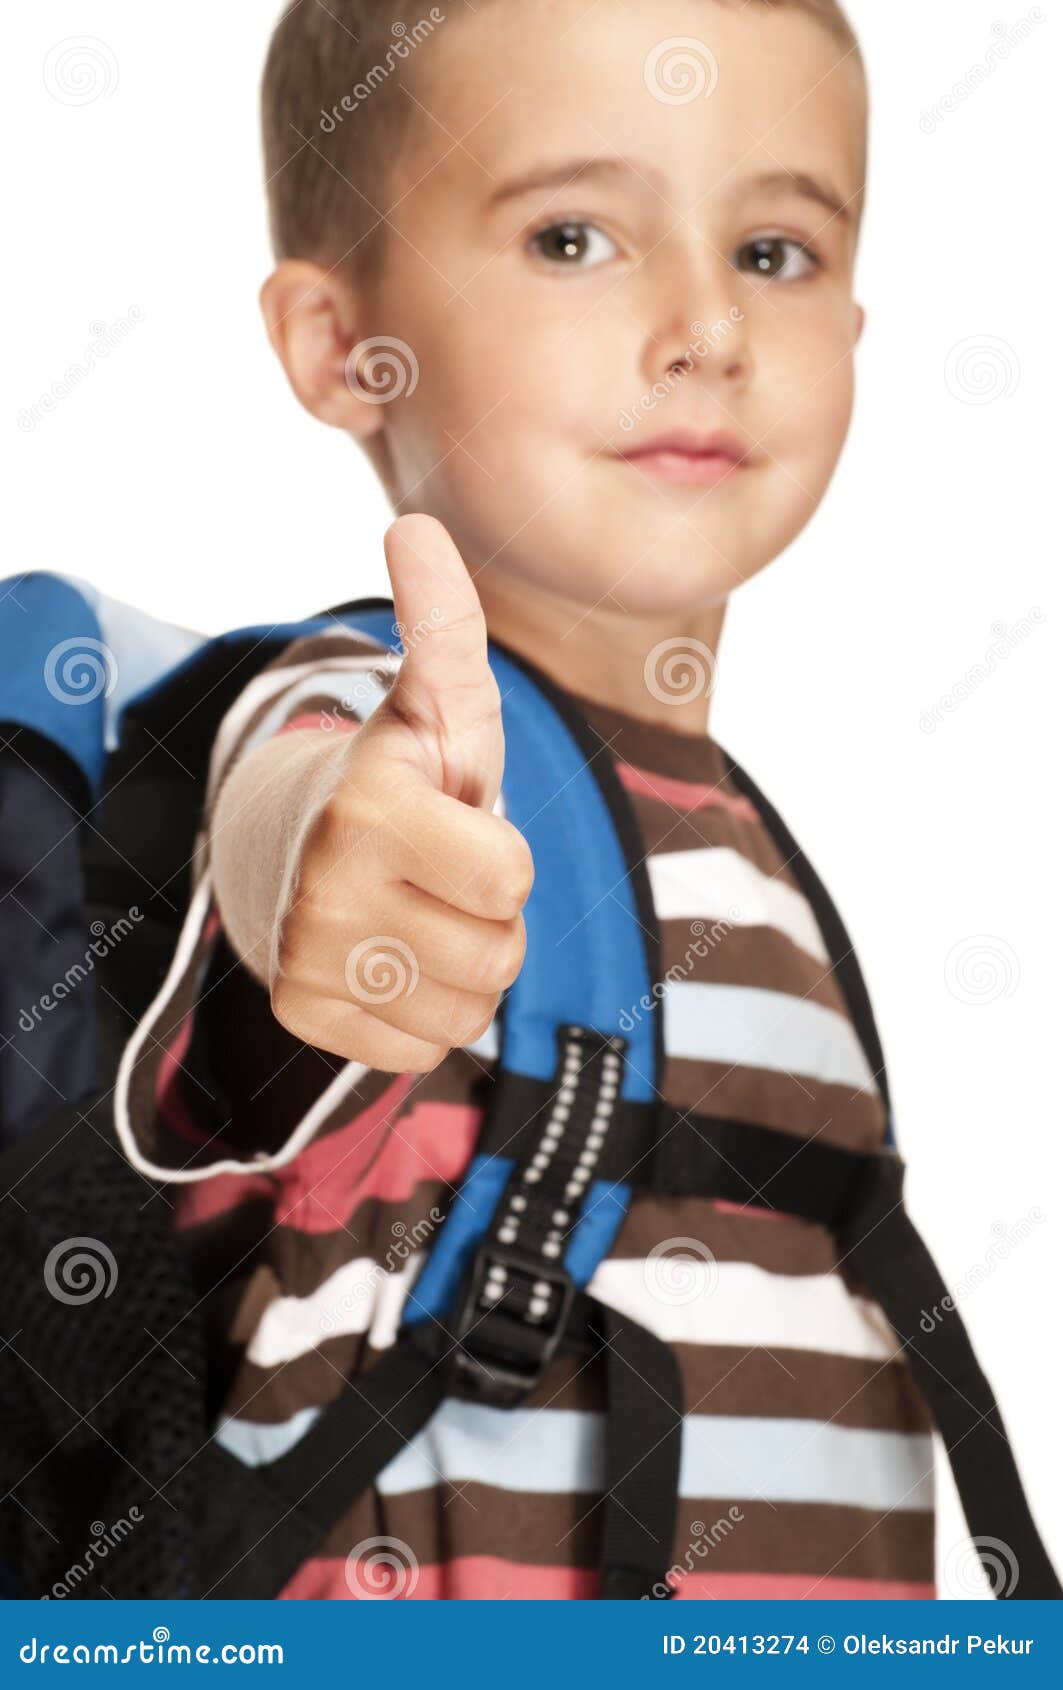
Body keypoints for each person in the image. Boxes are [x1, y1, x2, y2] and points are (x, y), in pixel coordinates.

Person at [116, 0, 941, 1598]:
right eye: (574, 235)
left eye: (776, 251)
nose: (708, 323)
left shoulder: (756, 858)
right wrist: (329, 868)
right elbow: (291, 818)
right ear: (337, 344)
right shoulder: (365, 717)